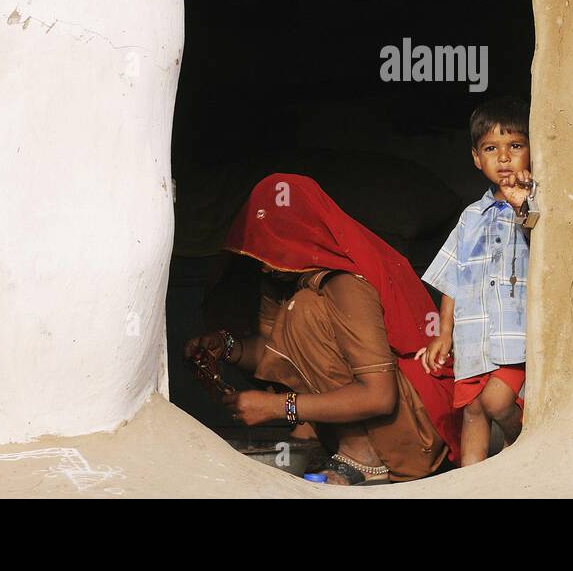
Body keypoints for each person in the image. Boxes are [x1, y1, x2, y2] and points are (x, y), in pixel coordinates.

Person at [184, 173, 460, 485]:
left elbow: (380, 397)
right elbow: (276, 351)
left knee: (305, 308)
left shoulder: (344, 284)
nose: (263, 262)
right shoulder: (282, 276)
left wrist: (278, 407)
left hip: (417, 432)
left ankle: (362, 453)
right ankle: (329, 440)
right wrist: (227, 347)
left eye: (272, 244)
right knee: (300, 309)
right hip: (377, 416)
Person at [418, 97, 533, 466]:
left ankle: (522, 443)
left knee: (498, 401)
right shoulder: (470, 216)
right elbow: (452, 276)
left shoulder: (534, 201)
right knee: (472, 412)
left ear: (531, 149)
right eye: (490, 148)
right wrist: (445, 332)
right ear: (475, 158)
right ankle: (471, 483)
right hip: (472, 340)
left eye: (514, 146)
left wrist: (522, 204)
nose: (503, 157)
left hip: (513, 337)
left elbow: (541, 234)